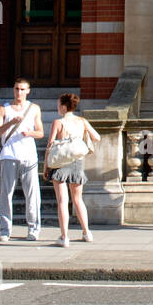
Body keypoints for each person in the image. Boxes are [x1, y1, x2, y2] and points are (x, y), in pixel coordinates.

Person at [44, 93, 101, 248]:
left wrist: (45, 167)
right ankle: (86, 232)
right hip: (77, 161)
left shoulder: (58, 122)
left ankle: (64, 236)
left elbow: (49, 146)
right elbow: (97, 137)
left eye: (58, 104)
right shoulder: (82, 121)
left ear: (63, 106)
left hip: (60, 162)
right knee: (78, 199)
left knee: (62, 201)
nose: (57, 107)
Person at [0, 78, 44, 242]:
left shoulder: (34, 108)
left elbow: (41, 132)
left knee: (32, 194)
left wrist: (30, 133)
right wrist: (11, 123)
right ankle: (5, 230)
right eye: (16, 89)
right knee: (6, 194)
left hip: (28, 156)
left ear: (28, 91)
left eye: (22, 89)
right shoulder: (4, 109)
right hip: (9, 155)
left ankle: (33, 228)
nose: (19, 92)